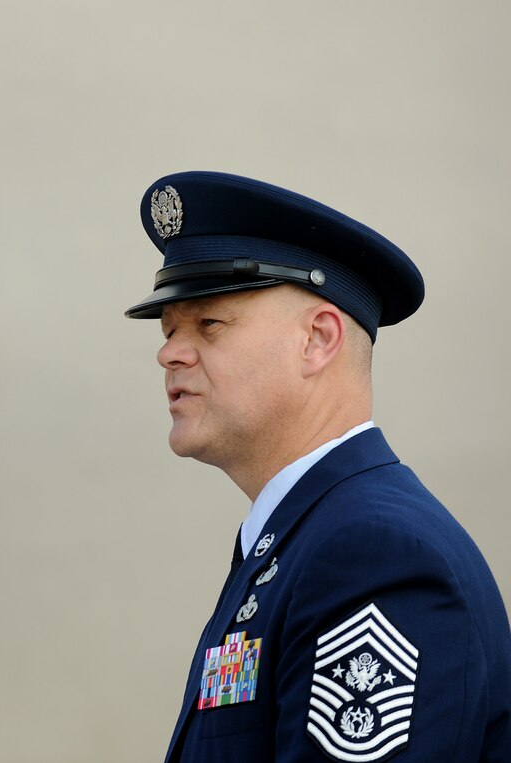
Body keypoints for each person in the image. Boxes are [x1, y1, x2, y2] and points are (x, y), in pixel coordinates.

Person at [124, 171, 511, 762]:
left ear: (318, 339)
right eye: (169, 329)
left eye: (209, 323)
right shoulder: (303, 540)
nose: (169, 352)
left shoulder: (372, 555)